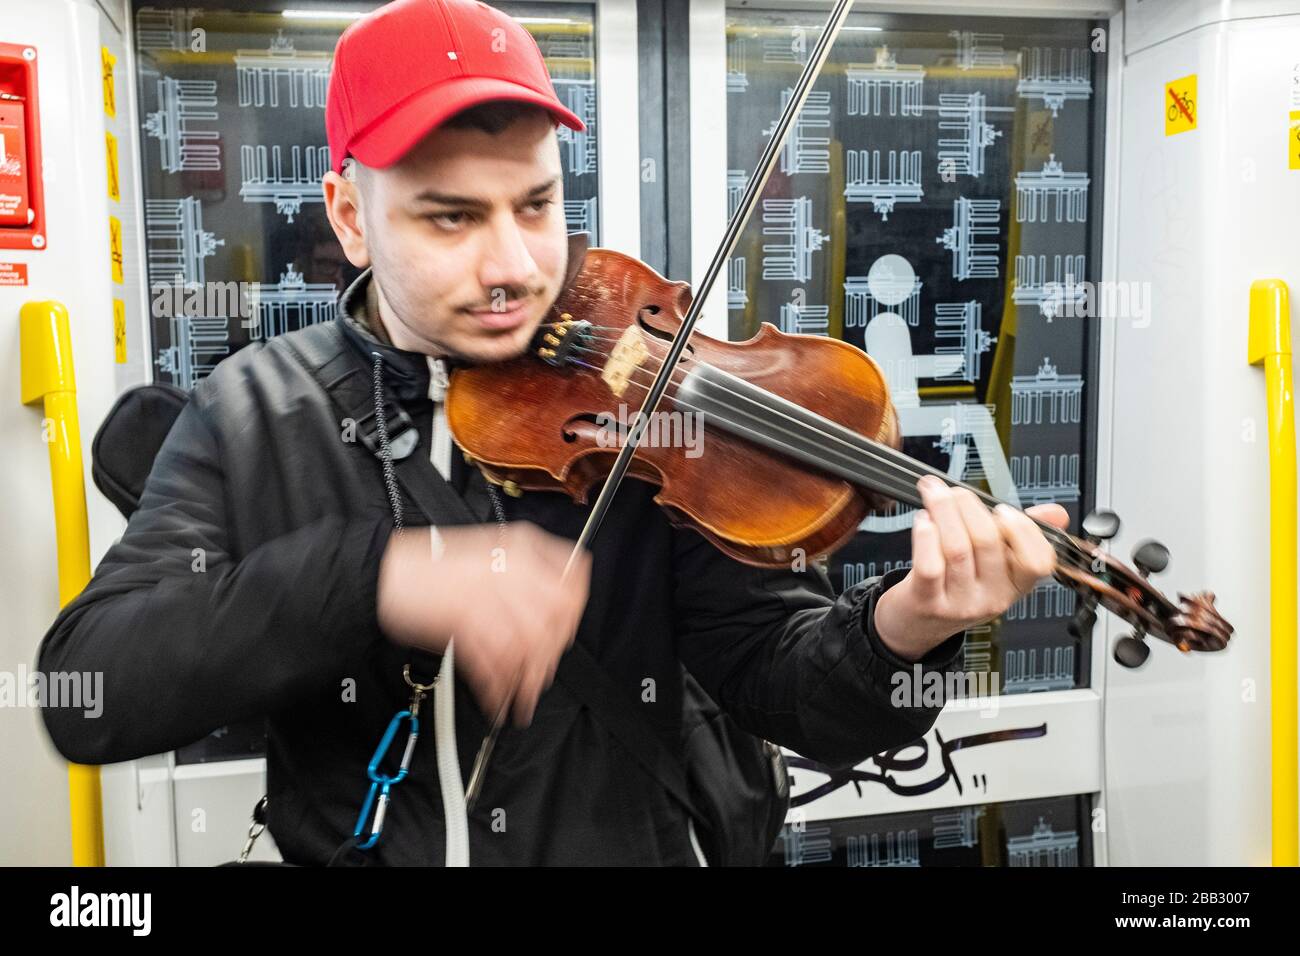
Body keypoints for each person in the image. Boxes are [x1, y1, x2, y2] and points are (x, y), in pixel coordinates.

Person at [37, 0, 1068, 865]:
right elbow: (93, 690)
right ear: (349, 215)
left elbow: (787, 681)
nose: (514, 265)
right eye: (450, 217)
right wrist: (376, 577)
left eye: (536, 205)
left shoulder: (652, 391)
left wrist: (909, 629)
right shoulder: (257, 410)